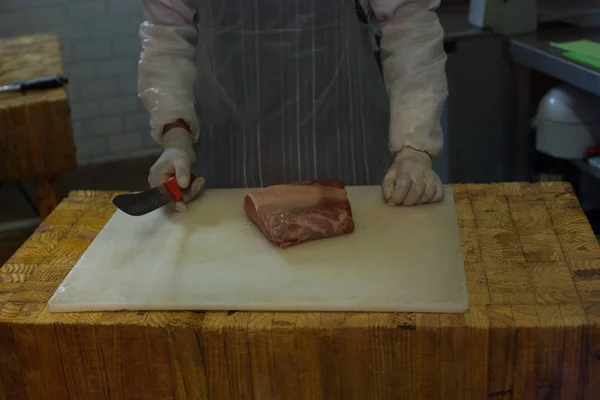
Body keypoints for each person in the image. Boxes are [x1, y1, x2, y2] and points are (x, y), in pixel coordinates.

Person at [139, 0, 448, 211]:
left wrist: (414, 149)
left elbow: (409, 22)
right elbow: (167, 32)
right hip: (228, 154)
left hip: (349, 150)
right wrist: (175, 136)